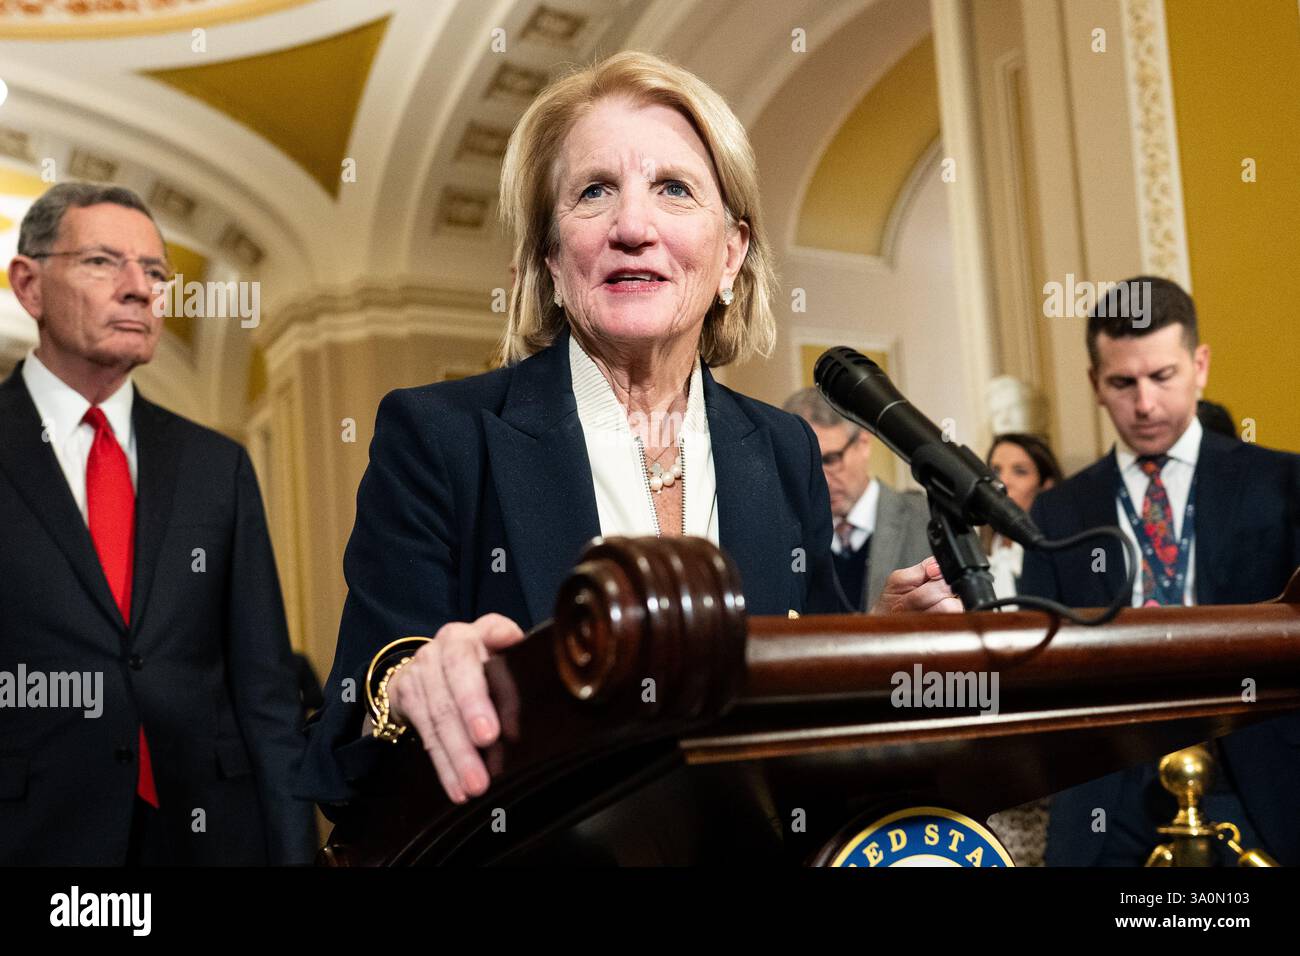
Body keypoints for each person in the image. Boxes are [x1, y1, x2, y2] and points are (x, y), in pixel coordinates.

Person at [299, 52, 959, 811]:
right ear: (550, 259)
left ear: (732, 254)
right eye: (593, 193)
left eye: (673, 189)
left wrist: (870, 648)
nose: (632, 226)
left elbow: (802, 708)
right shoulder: (440, 437)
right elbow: (347, 744)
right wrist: (416, 685)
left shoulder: (783, 451)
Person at [0, 182, 315, 865]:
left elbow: (265, 691)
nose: (139, 289)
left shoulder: (217, 468)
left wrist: (295, 854)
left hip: (210, 837)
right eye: (103, 263)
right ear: (29, 285)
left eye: (154, 272)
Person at [1020, 275, 1300, 866]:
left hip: (1256, 780)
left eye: (1162, 377)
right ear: (1095, 384)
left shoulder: (1282, 482)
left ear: (1199, 364)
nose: (1145, 404)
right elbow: (1040, 654)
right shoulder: (1059, 509)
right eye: (1123, 383)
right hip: (1109, 792)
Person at [782, 387, 930, 611]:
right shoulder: (789, 535)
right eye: (806, 464)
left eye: (830, 459)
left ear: (863, 443)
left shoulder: (926, 519)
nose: (819, 478)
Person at [983, 433, 1062, 599]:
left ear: (1046, 486)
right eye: (995, 471)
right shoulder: (974, 553)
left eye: (1020, 471)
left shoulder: (1062, 558)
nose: (1002, 482)